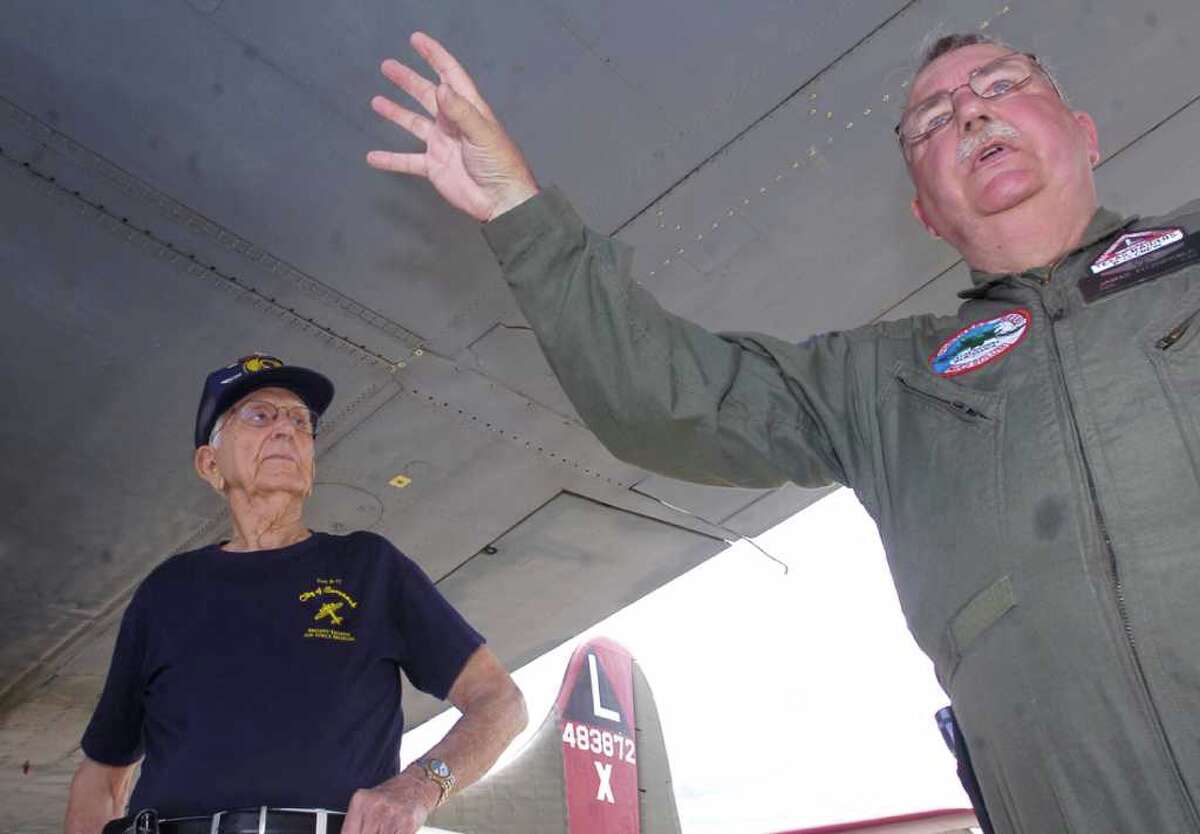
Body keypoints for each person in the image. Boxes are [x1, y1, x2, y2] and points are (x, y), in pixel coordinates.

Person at [366, 30, 1200, 833]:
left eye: (1001, 86)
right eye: (932, 121)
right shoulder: (882, 384)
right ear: (926, 214)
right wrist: (519, 212)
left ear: (1085, 134)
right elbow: (666, 397)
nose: (972, 115)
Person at [64, 354, 528, 834]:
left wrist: (418, 788)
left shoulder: (369, 568)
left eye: (300, 421)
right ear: (210, 463)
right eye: (260, 415)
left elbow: (500, 701)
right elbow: (102, 775)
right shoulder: (166, 591)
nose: (286, 429)